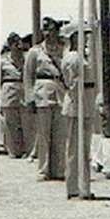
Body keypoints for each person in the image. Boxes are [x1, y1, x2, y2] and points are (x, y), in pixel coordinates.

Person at [23, 17, 68, 180]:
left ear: (57, 31)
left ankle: (59, 170)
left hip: (60, 93)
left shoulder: (64, 50)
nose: (48, 33)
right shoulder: (35, 51)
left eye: (51, 29)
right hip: (42, 94)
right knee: (43, 135)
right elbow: (28, 76)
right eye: (45, 30)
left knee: (60, 135)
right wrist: (29, 98)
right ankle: (43, 170)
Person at [60, 21, 94, 199]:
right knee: (75, 148)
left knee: (84, 148)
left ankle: (83, 185)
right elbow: (72, 83)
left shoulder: (81, 56)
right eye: (83, 35)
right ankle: (73, 186)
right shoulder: (73, 57)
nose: (86, 39)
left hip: (85, 102)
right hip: (77, 105)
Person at [1, 34, 29, 158]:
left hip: (23, 89)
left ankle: (25, 150)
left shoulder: (26, 59)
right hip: (9, 90)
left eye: (19, 43)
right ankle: (13, 150)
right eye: (15, 44)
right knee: (10, 123)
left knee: (25, 122)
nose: (18, 46)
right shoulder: (3, 60)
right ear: (10, 45)